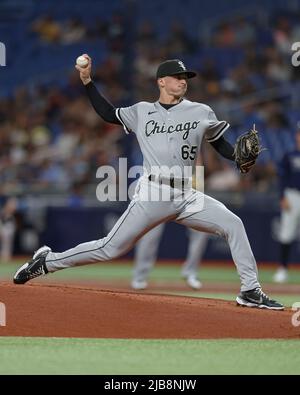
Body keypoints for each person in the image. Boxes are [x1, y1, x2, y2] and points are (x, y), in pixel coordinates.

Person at [13, 56, 283, 310]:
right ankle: (47, 262)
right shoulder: (142, 111)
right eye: (177, 76)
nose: (183, 80)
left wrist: (237, 156)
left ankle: (250, 289)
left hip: (187, 194)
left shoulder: (201, 111)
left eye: (185, 77)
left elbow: (219, 143)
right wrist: (87, 81)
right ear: (161, 81)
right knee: (109, 248)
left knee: (233, 224)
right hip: (153, 192)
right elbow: (108, 113)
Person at [132, 224, 208, 290]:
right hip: (161, 207)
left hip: (189, 207)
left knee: (201, 229)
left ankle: (190, 273)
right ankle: (140, 277)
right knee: (150, 232)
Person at [273, 128, 300, 283]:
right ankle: (282, 269)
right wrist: (282, 196)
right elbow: (282, 178)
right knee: (286, 232)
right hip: (292, 195)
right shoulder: (289, 155)